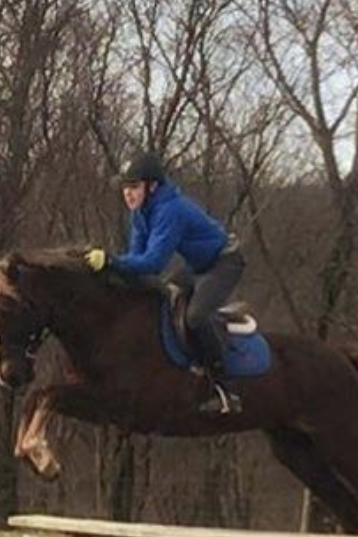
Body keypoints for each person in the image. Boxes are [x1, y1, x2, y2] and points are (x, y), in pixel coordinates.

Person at [84, 151, 245, 415]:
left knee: (194, 317)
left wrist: (111, 262)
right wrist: (109, 271)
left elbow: (153, 263)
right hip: (198, 266)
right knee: (160, 298)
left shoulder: (171, 210)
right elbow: (136, 259)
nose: (128, 194)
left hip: (224, 263)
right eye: (125, 188)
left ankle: (226, 389)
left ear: (152, 186)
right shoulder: (140, 213)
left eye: (134, 187)